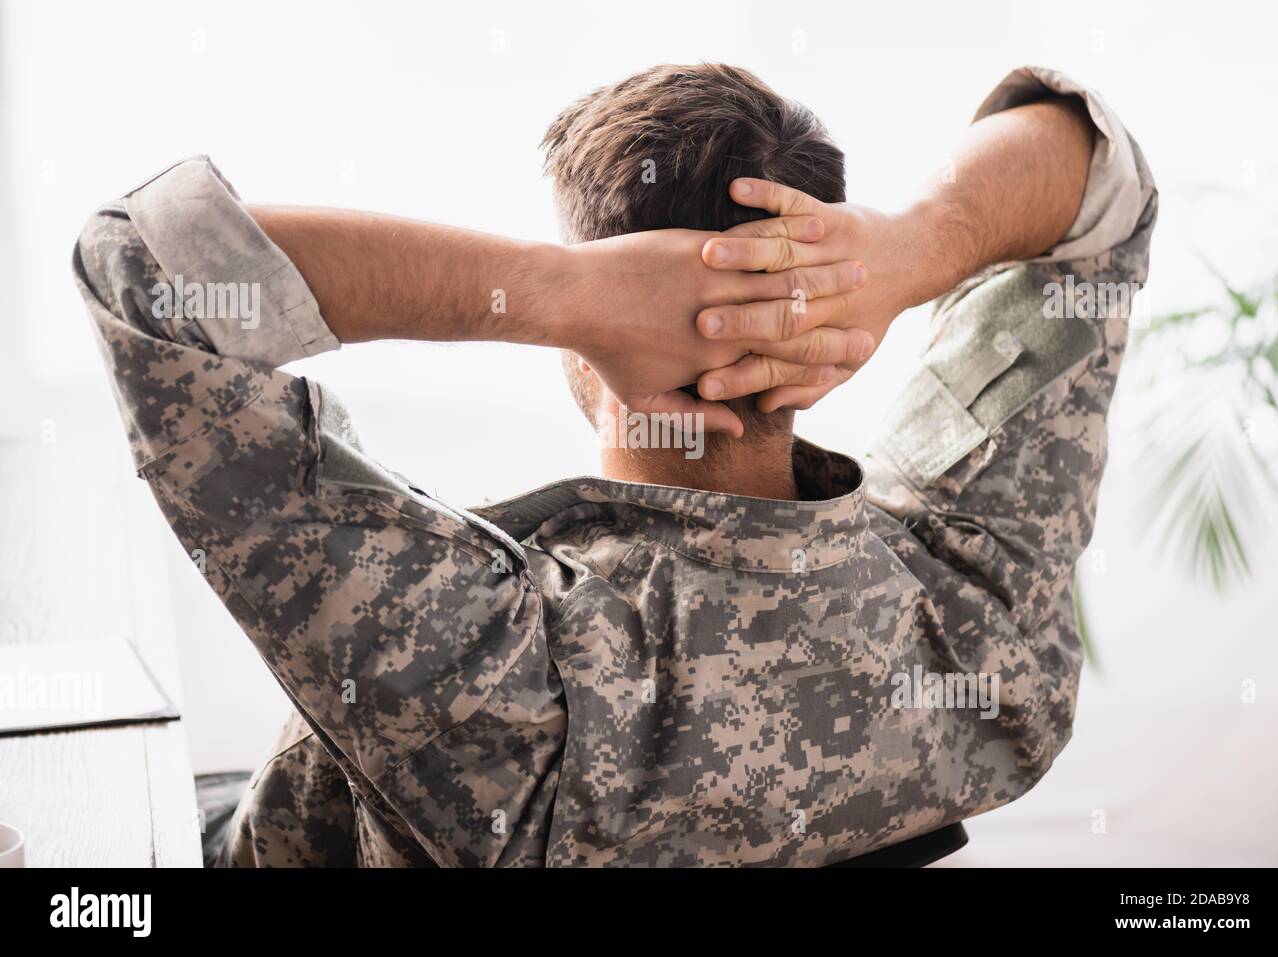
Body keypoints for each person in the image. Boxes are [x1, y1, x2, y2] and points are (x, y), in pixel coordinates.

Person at [73, 64, 1155, 867]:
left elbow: (144, 262)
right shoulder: (976, 621)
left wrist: (555, 290)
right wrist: (909, 246)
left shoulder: (520, 675)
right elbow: (1098, 182)